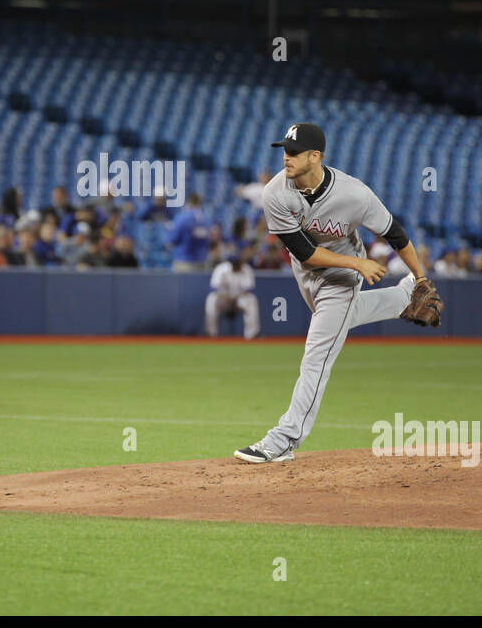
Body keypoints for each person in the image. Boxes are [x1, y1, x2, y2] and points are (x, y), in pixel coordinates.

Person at [234, 123, 440, 464]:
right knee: (344, 318)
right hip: (310, 274)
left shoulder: (354, 194)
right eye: (284, 149)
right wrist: (362, 265)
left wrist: (420, 277)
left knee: (317, 355)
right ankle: (401, 300)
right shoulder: (275, 193)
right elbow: (305, 254)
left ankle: (284, 439)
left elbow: (396, 235)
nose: (286, 156)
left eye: (294, 151)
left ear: (316, 157)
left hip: (342, 279)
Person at [205, 252, 260, 340]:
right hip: (224, 299)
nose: (237, 264)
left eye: (238, 262)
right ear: (230, 263)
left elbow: (249, 289)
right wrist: (225, 296)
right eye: (234, 262)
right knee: (212, 299)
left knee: (251, 299)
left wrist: (236, 298)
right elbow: (214, 288)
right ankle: (211, 333)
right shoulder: (221, 269)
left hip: (239, 300)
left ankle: (252, 335)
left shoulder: (246, 269)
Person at [168, 193, 210, 272]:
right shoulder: (206, 219)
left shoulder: (182, 218)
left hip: (183, 261)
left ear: (189, 203)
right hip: (202, 261)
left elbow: (172, 239)